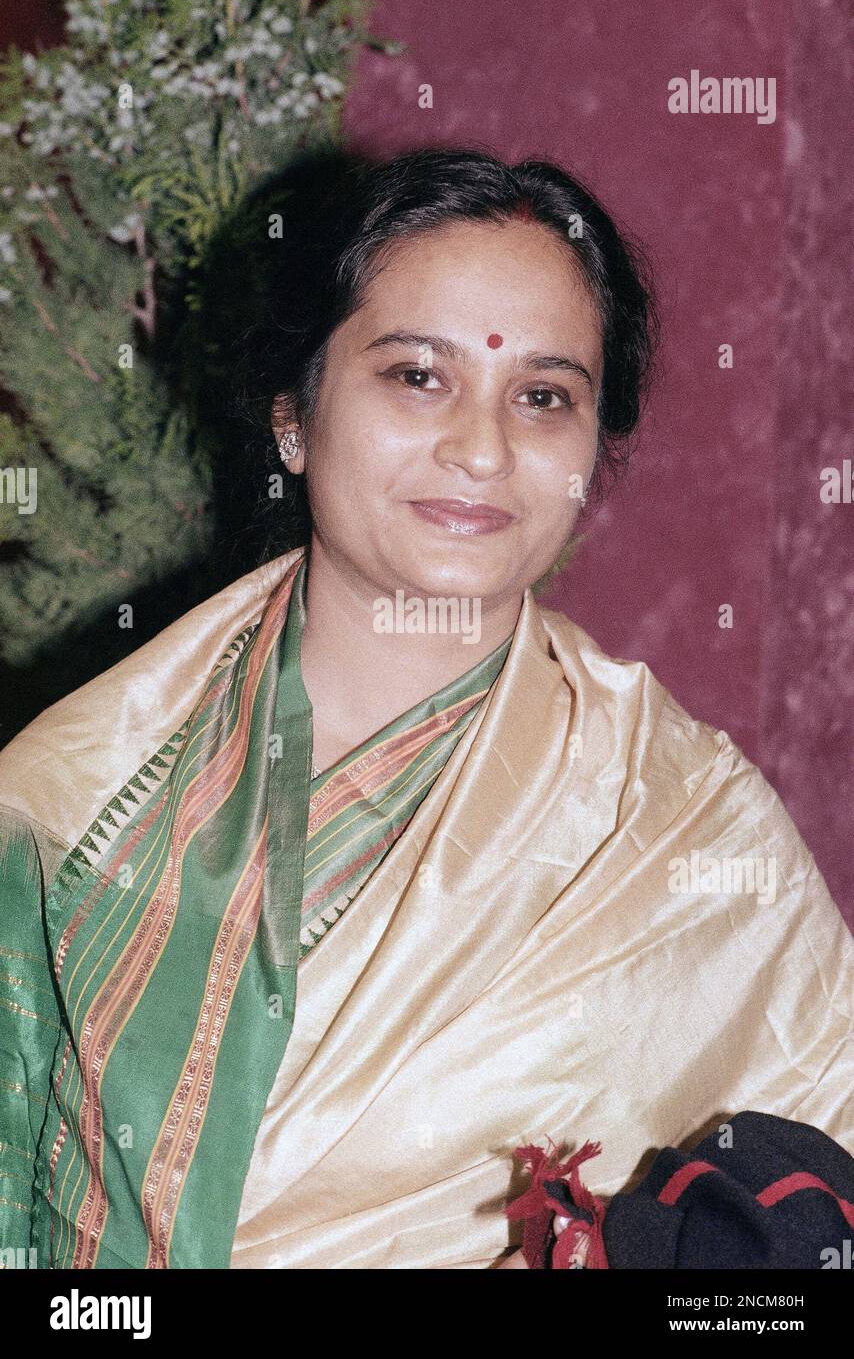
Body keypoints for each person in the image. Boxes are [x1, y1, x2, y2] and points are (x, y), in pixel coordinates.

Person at [0, 149, 851, 1271]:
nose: (482, 447)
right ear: (293, 419)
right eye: (416, 375)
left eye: (542, 396)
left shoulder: (675, 831)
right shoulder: (69, 791)